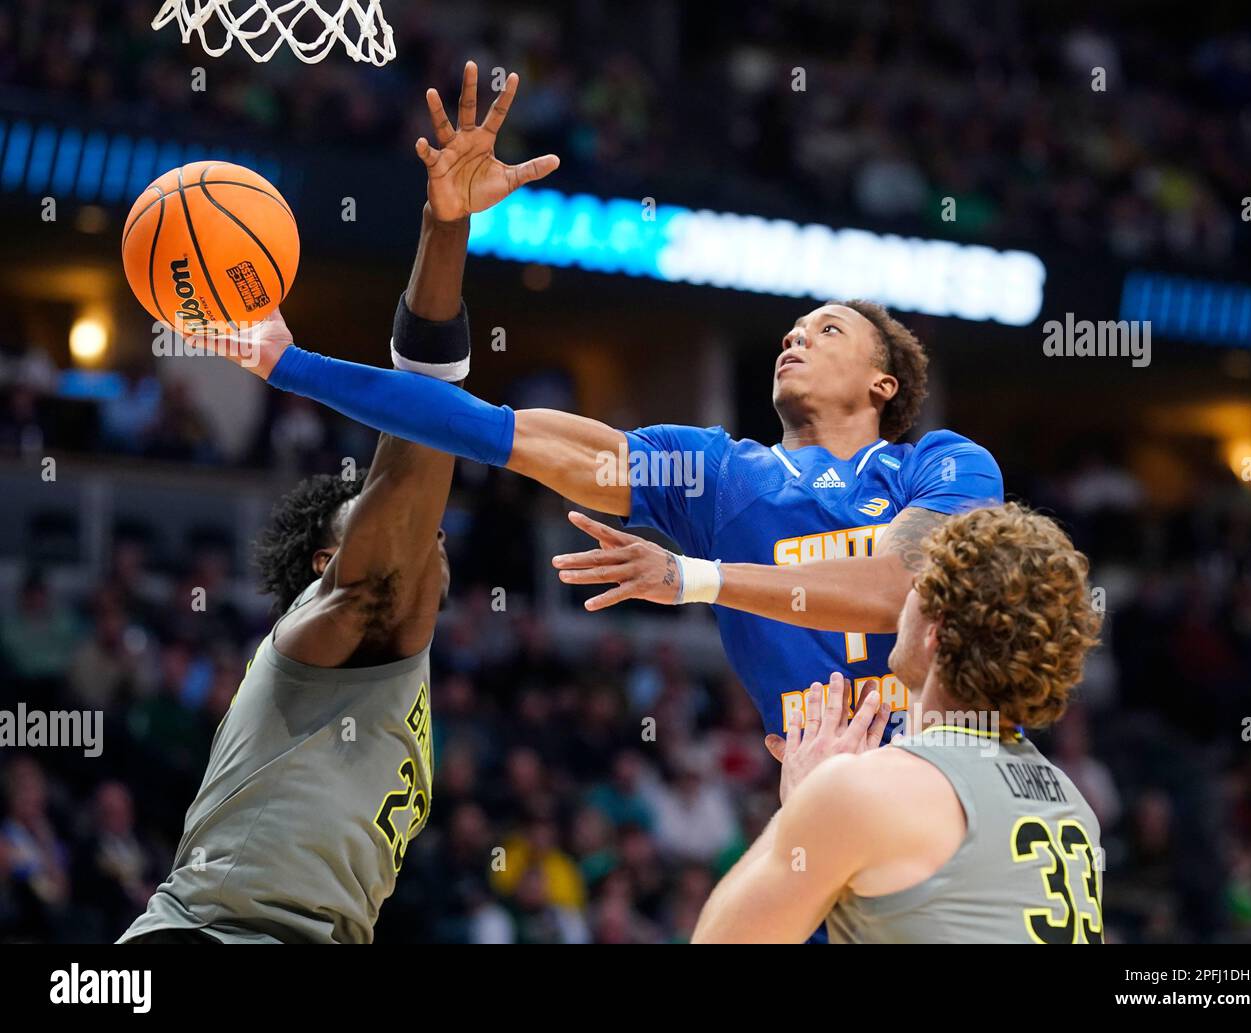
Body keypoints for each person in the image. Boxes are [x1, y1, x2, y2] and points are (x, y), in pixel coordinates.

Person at [203, 137, 1002, 741]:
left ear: (883, 384)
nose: (795, 339)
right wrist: (289, 361)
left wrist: (693, 577)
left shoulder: (944, 465)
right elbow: (486, 429)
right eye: (791, 330)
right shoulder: (717, 474)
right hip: (827, 807)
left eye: (826, 330)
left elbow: (901, 587)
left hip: (956, 788)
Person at [118, 63, 557, 944]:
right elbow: (417, 447)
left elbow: (414, 454)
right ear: (329, 557)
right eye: (368, 508)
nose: (413, 519)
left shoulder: (383, 655)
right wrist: (444, 231)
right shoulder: (346, 609)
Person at [690, 503, 1106, 944]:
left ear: (936, 632)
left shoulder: (865, 793)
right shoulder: (1072, 802)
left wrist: (804, 802)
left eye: (914, 588)